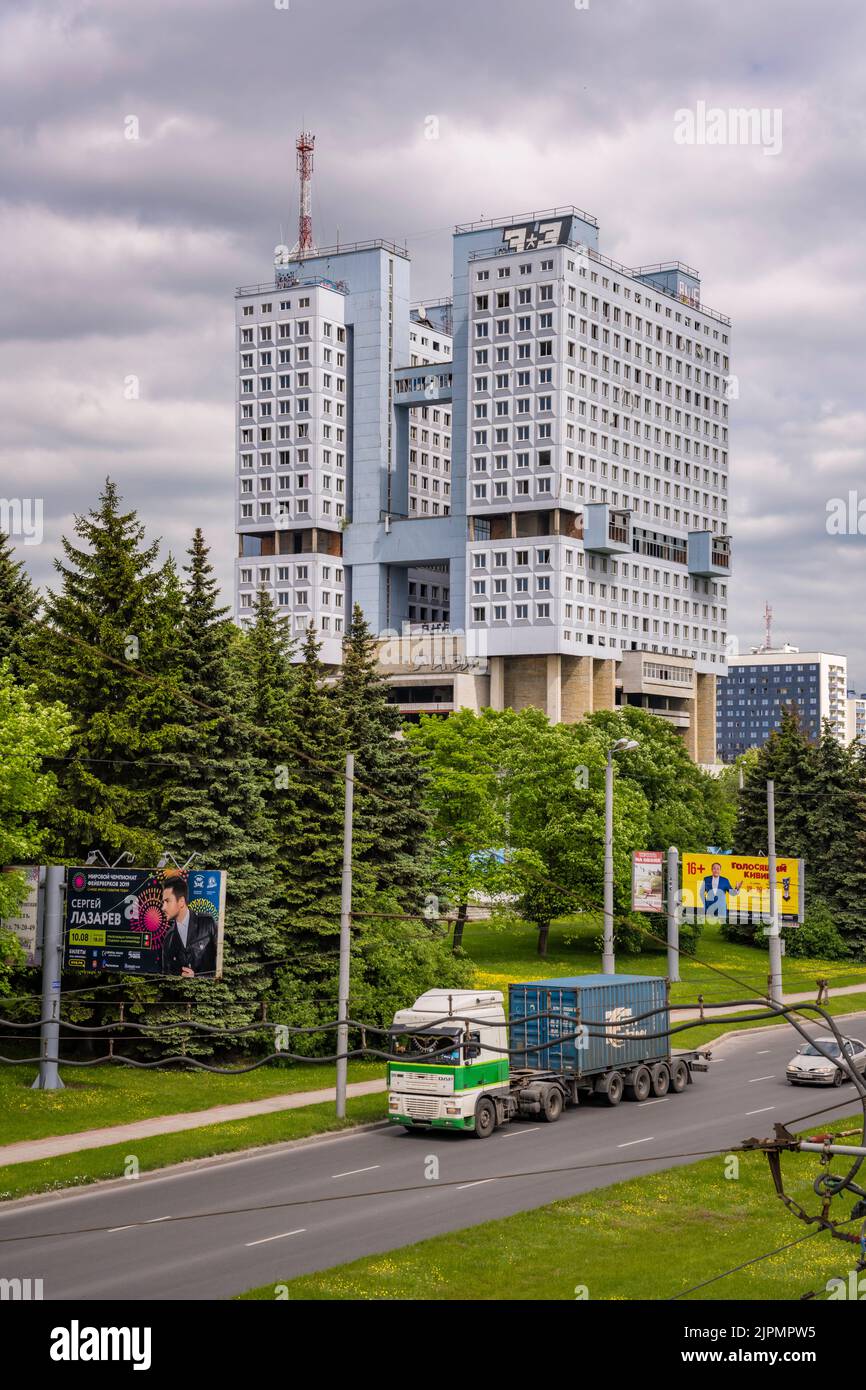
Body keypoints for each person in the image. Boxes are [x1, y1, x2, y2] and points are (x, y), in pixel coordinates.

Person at [160, 875, 217, 977]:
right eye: (162, 902)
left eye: (167, 901)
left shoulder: (208, 923)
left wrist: (197, 978)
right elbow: (166, 978)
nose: (163, 907)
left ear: (181, 901)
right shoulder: (168, 938)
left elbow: (221, 967)